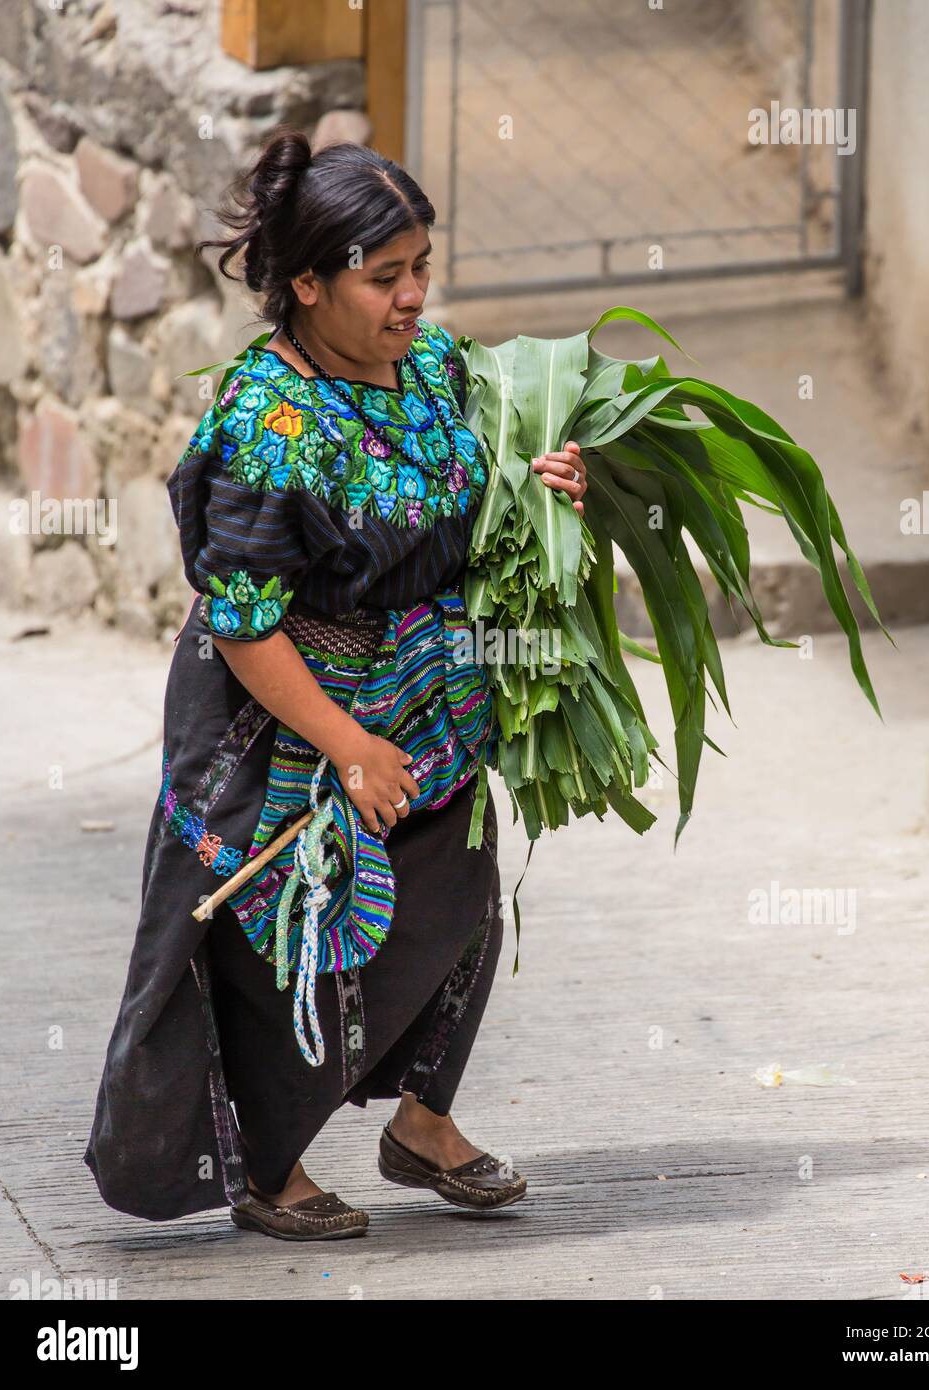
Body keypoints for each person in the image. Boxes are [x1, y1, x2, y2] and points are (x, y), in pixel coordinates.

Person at [82, 128, 588, 1241]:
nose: (412, 296)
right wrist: (346, 747)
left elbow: (477, 482)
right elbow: (241, 619)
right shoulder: (272, 426)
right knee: (284, 930)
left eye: (420, 267)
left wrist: (544, 481)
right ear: (307, 284)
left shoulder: (433, 367)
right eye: (383, 276)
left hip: (419, 695)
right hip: (275, 712)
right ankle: (268, 1166)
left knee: (457, 893)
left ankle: (423, 1125)